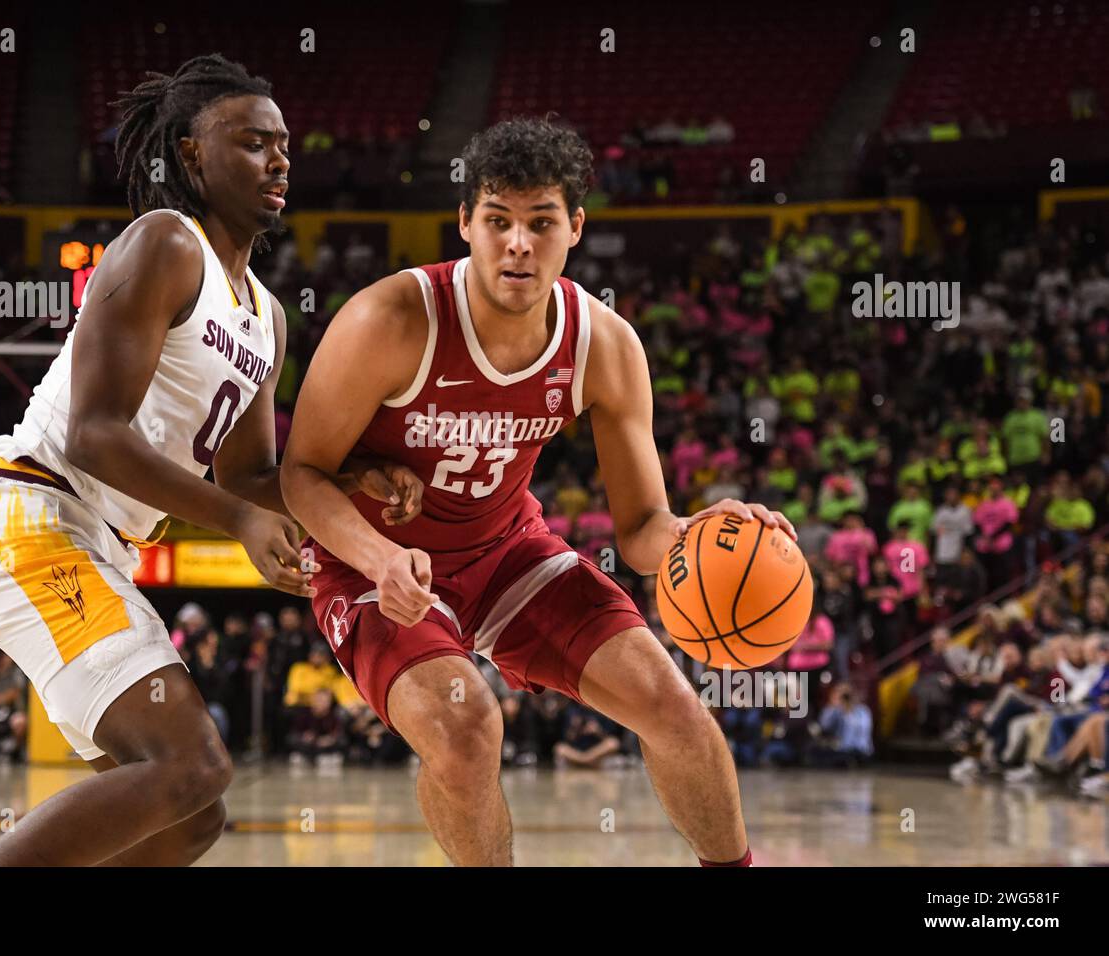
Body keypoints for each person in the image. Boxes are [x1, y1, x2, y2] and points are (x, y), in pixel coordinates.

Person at [0, 55, 418, 867]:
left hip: (94, 544)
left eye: (285, 146)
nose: (278, 161)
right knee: (191, 763)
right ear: (192, 156)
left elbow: (247, 477)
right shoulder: (165, 242)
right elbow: (95, 431)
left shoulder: (267, 316)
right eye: (253, 143)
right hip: (31, 516)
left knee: (187, 816)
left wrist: (348, 482)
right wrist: (239, 521)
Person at [281, 117, 795, 867]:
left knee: (676, 709)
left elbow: (642, 529)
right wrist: (380, 556)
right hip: (372, 565)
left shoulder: (605, 344)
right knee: (466, 731)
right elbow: (300, 473)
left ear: (574, 228)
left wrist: (691, 534)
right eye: (498, 221)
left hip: (507, 551)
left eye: (540, 222)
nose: (517, 243)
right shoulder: (388, 320)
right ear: (465, 224)